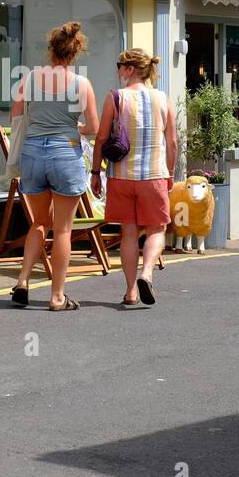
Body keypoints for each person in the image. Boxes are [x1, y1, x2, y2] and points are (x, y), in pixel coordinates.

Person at [9, 21, 99, 311]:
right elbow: (94, 127)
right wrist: (74, 127)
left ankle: (22, 282)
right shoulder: (81, 84)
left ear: (51, 50)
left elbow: (16, 116)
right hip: (66, 151)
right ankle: (57, 296)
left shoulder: (30, 78)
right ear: (75, 52)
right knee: (62, 229)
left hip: (33, 152)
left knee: (38, 223)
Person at [92, 48, 177, 306]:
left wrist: (96, 172)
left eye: (119, 65)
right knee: (157, 228)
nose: (117, 71)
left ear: (130, 69)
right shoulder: (163, 99)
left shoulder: (115, 98)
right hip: (154, 175)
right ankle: (147, 273)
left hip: (121, 176)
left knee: (128, 232)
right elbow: (172, 143)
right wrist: (170, 172)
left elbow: (101, 138)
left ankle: (130, 291)